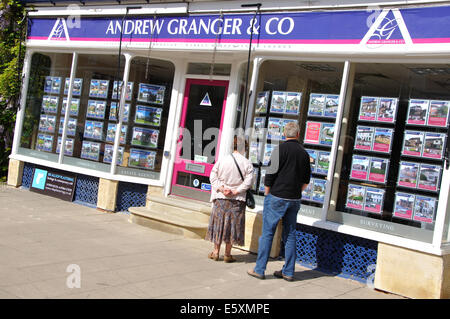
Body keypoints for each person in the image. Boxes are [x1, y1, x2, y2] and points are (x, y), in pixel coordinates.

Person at [247, 121, 311, 281]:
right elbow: (306, 180)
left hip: (277, 196)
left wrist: (268, 194)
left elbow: (269, 175)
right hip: (294, 198)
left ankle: (260, 269)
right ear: (297, 134)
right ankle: (288, 272)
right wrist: (297, 192)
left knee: (268, 233)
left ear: (284, 134)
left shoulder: (279, 149)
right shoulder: (304, 153)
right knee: (290, 235)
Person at [206, 136, 254, 262]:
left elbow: (212, 177)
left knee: (219, 224)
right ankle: (227, 254)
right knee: (232, 225)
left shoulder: (223, 160)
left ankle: (216, 252)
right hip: (237, 199)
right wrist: (236, 191)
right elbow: (248, 183)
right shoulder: (247, 163)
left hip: (221, 198)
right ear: (245, 148)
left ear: (233, 147)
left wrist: (222, 189)